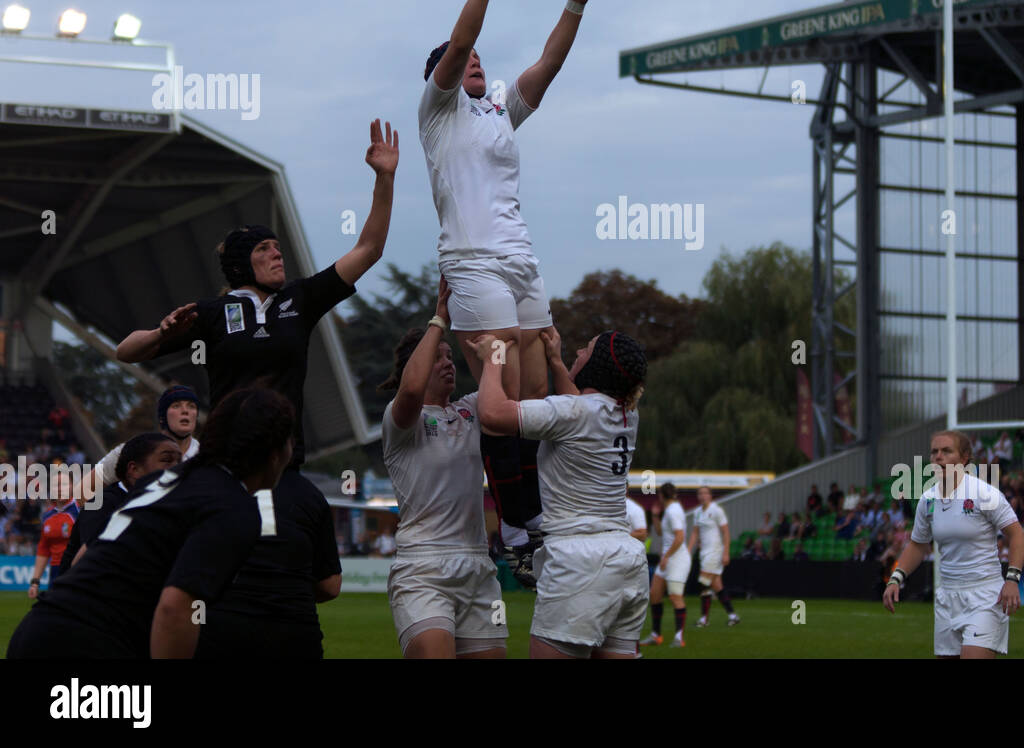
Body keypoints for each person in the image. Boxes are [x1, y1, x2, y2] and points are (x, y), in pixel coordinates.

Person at [115, 121, 394, 658]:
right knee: (219, 582)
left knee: (293, 587)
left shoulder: (300, 300)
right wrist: (160, 333)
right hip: (226, 470)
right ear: (243, 262)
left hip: (285, 468)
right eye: (266, 249)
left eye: (277, 247)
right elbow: (126, 351)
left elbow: (371, 246)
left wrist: (383, 179)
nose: (277, 254)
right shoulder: (214, 312)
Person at [418, 0, 615, 575]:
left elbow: (549, 65)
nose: (473, 60)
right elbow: (463, 36)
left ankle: (535, 513)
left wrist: (573, 5)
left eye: (477, 58)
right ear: (442, 77)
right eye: (461, 58)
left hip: (521, 262)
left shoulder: (499, 109)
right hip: (474, 264)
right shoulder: (438, 111)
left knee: (529, 406)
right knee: (499, 398)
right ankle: (522, 530)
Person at [6, 388, 295, 659]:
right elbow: (175, 608)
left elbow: (85, 555)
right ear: (274, 452)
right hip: (89, 643)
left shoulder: (163, 482)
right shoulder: (232, 505)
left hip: (40, 627)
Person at [472, 329, 649, 660]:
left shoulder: (574, 414)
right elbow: (580, 407)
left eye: (587, 350)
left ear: (596, 367)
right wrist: (555, 360)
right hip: (628, 563)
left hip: (580, 560)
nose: (579, 351)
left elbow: (493, 415)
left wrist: (492, 359)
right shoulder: (626, 414)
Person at [378, 278, 506, 659]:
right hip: (423, 567)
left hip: (479, 567)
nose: (447, 362)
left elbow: (508, 386)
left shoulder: (470, 410)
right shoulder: (401, 421)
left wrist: (493, 338)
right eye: (438, 357)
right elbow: (413, 389)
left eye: (450, 357)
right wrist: (438, 319)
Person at [883, 431, 1024, 659]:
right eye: (934, 451)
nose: (938, 456)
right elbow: (918, 545)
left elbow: (1017, 536)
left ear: (964, 458)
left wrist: (1012, 579)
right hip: (947, 597)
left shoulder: (984, 493)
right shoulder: (927, 500)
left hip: (985, 597)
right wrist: (896, 578)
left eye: (946, 451)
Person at [66, 433, 183, 569]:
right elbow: (86, 565)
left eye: (180, 462)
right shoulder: (104, 506)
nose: (176, 468)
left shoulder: (160, 509)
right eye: (166, 460)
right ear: (134, 469)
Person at [92, 385, 200, 493]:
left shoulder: (207, 455)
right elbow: (84, 491)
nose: (185, 411)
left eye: (191, 406)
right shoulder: (132, 450)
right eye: (176, 406)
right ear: (162, 417)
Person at [645, 482, 689, 648]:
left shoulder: (673, 511)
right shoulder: (670, 510)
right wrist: (655, 516)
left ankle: (679, 638)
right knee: (654, 594)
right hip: (668, 558)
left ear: (662, 495)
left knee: (675, 596)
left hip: (677, 559)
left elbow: (679, 537)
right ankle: (656, 636)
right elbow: (662, 533)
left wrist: (667, 556)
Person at [688, 486, 738, 628]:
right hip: (704, 554)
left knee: (703, 582)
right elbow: (695, 533)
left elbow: (726, 533)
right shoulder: (697, 512)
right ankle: (733, 616)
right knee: (717, 586)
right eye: (700, 493)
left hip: (715, 552)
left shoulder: (717, 510)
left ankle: (704, 619)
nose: (702, 496)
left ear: (710, 496)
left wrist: (726, 552)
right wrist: (688, 550)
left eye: (705, 493)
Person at [28, 469, 79, 597]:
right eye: (56, 485)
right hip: (55, 572)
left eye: (64, 484)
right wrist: (35, 582)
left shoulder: (80, 511)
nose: (60, 489)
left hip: (77, 571)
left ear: (73, 486)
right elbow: (43, 549)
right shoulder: (47, 516)